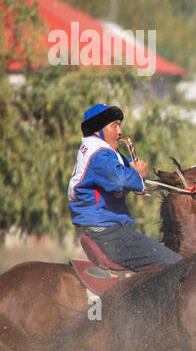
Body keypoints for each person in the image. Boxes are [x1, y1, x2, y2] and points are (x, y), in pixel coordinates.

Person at [68, 103, 182, 270]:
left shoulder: (99, 150)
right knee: (177, 265)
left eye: (119, 126)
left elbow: (124, 168)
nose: (120, 131)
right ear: (97, 129)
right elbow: (120, 180)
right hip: (109, 233)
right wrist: (137, 174)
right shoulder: (99, 153)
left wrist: (137, 172)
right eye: (114, 126)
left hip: (107, 230)